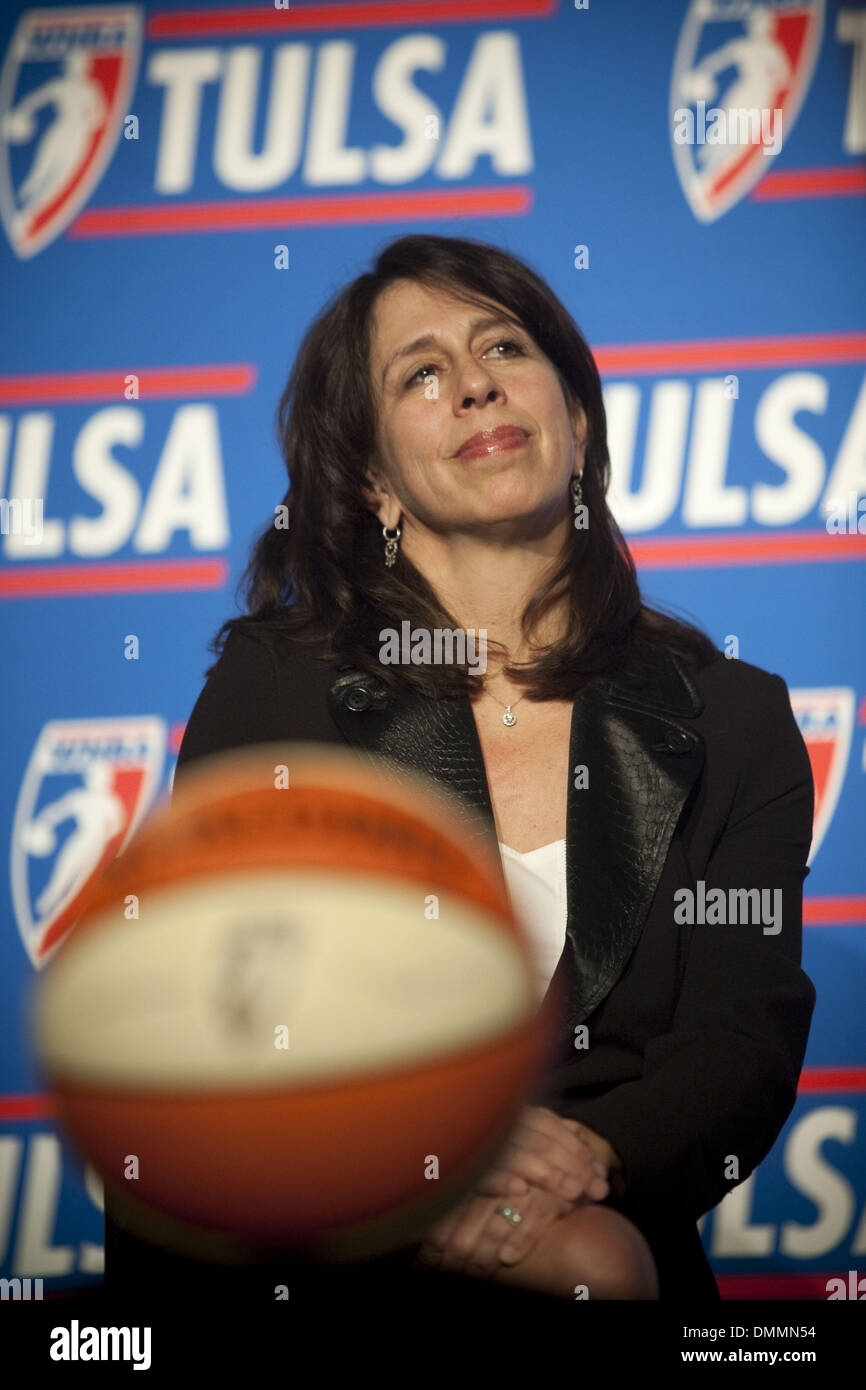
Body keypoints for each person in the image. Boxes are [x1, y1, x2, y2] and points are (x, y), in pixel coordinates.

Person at [103, 233, 816, 1303]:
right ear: (370, 476)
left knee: (595, 1266)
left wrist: (581, 1160)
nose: (475, 384)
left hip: (595, 1208)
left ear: (575, 417)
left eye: (503, 348)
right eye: (422, 374)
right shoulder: (275, 690)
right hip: (324, 1205)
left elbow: (738, 1037)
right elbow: (208, 1015)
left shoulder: (735, 717)